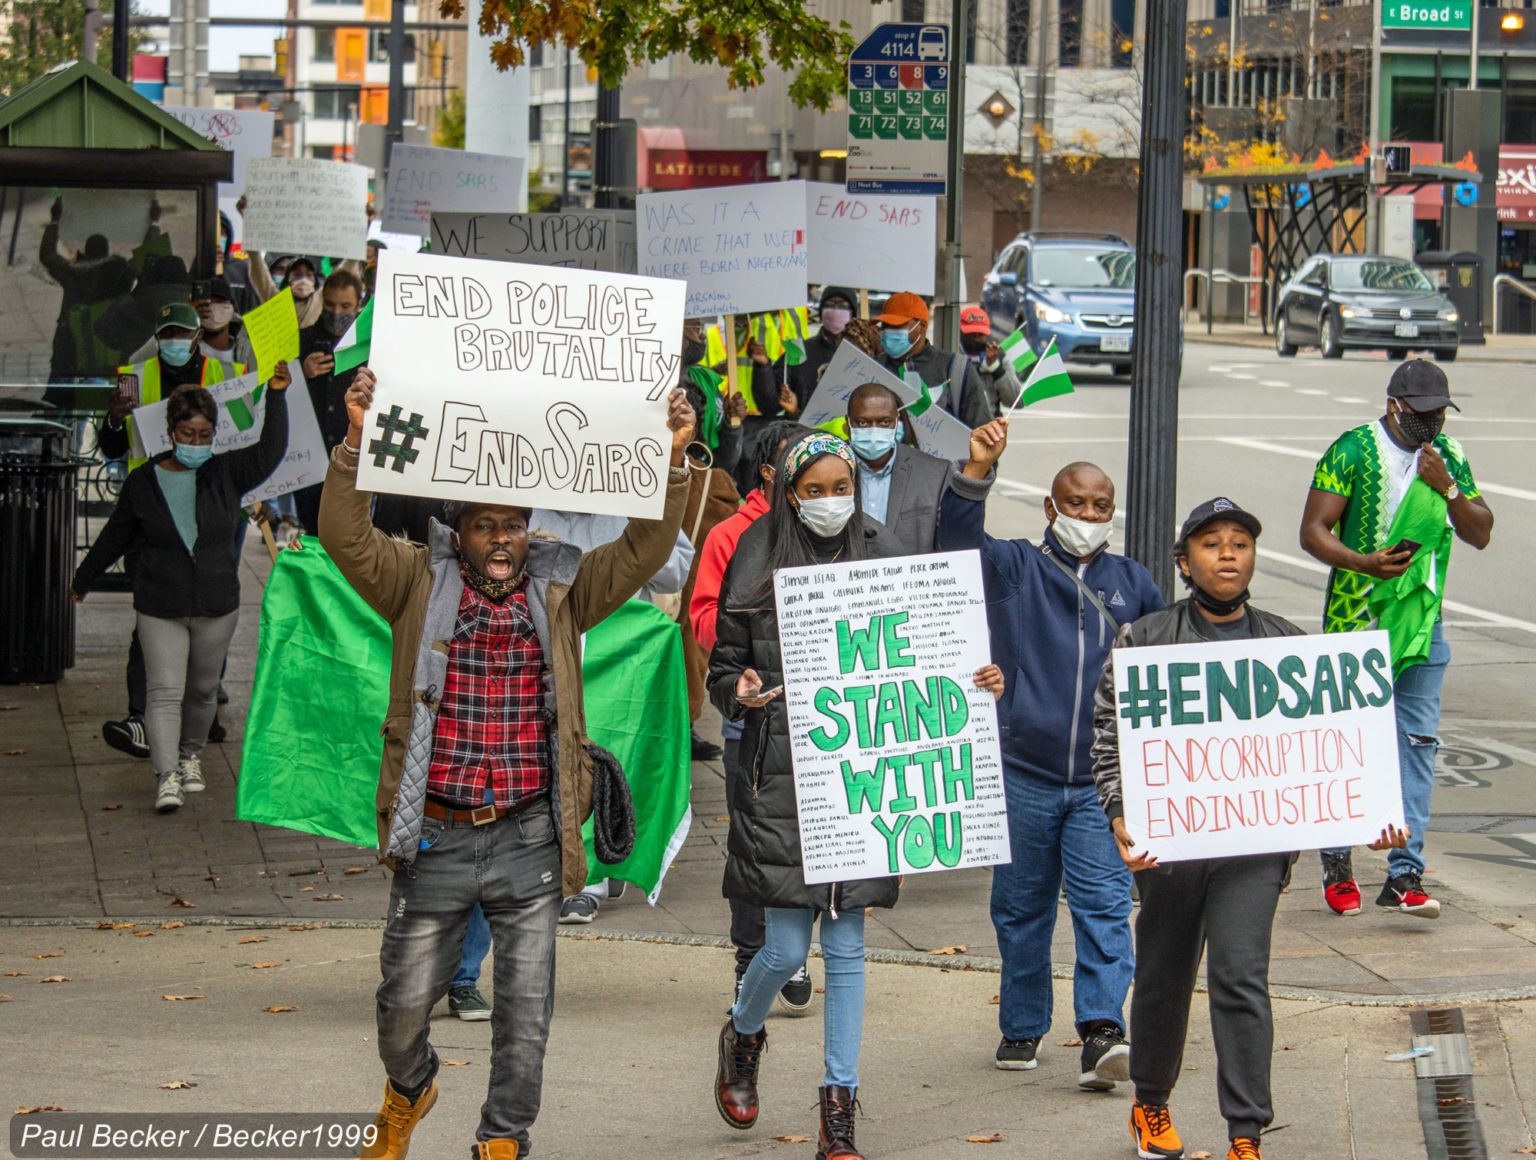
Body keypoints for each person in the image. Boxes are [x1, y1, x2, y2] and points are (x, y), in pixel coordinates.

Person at [320, 371, 694, 1160]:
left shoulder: (566, 588)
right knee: (401, 1006)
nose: (501, 539)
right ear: (459, 532)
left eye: (513, 525)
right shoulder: (413, 580)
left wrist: (669, 461)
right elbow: (345, 538)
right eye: (485, 525)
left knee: (525, 1014)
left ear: (530, 529)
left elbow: (642, 549)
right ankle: (409, 1087)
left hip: (529, 836)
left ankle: (503, 1139)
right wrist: (356, 441)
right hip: (436, 838)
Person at [707, 430, 1004, 1160]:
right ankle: (744, 1033)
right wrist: (738, 691)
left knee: (845, 948)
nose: (832, 501)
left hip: (862, 784)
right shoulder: (756, 554)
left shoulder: (884, 555)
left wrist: (976, 676)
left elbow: (929, 652)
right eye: (817, 490)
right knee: (780, 948)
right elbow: (723, 669)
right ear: (791, 493)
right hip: (781, 778)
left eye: (843, 488)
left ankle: (838, 1106)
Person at [940, 423, 1165, 1086]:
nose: (1090, 516)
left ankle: (1102, 1032)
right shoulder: (1015, 566)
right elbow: (955, 545)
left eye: (1102, 506)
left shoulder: (1135, 584)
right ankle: (1021, 1026)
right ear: (1050, 508)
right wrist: (977, 472)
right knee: (1020, 907)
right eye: (1076, 503)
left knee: (1103, 904)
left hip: (1102, 785)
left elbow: (1163, 671)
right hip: (1025, 775)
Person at [1299, 359, 1493, 920]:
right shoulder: (1352, 450)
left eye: (1440, 415)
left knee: (1417, 747)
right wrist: (1362, 562)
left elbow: (1480, 531)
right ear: (1395, 407)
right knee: (1344, 744)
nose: (1432, 425)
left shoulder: (1448, 457)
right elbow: (1312, 532)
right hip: (1353, 620)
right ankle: (1337, 864)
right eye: (1423, 416)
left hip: (1422, 626)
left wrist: (1448, 486)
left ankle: (1404, 873)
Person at [70, 367, 291, 813]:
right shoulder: (142, 483)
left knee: (204, 691)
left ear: (214, 434)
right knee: (163, 691)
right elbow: (114, 536)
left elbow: (270, 450)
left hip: (216, 605)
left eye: (204, 434)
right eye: (187, 433)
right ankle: (166, 776)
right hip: (160, 605)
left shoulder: (227, 472)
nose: (195, 442)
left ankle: (191, 756)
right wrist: (81, 581)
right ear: (171, 432)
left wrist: (277, 395)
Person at [690, 420, 814, 1014]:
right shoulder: (730, 536)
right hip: (756, 718)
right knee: (755, 839)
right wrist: (761, 632)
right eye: (800, 465)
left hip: (822, 721)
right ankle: (752, 954)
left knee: (811, 839)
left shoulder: (829, 536)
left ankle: (792, 951)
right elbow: (705, 618)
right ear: (768, 473)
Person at [844, 383, 991, 555]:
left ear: (897, 422)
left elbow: (957, 541)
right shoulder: (828, 470)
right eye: (863, 422)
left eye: (884, 421)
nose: (874, 430)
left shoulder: (936, 473)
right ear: (848, 425)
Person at [292, 269, 366, 535]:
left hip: (355, 461)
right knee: (314, 532)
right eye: (330, 305)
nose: (337, 312)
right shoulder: (303, 340)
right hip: (312, 462)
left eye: (345, 306)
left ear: (360, 303)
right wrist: (301, 373)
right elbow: (280, 396)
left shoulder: (371, 345)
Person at [38, 197, 140, 381]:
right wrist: (153, 223)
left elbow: (47, 255)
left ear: (86, 252)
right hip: (107, 352)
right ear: (106, 253)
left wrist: (54, 221)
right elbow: (148, 257)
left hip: (69, 346)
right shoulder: (118, 274)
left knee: (59, 394)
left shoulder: (71, 274)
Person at [873, 292, 996, 428]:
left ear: (922, 326)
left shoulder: (957, 369)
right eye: (884, 325)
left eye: (897, 326)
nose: (888, 332)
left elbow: (980, 429)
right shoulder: (872, 367)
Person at [786, 287, 857, 413]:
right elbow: (771, 402)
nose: (835, 310)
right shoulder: (800, 349)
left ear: (853, 313)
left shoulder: (862, 353)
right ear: (821, 312)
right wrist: (762, 367)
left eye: (843, 305)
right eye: (829, 305)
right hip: (806, 429)